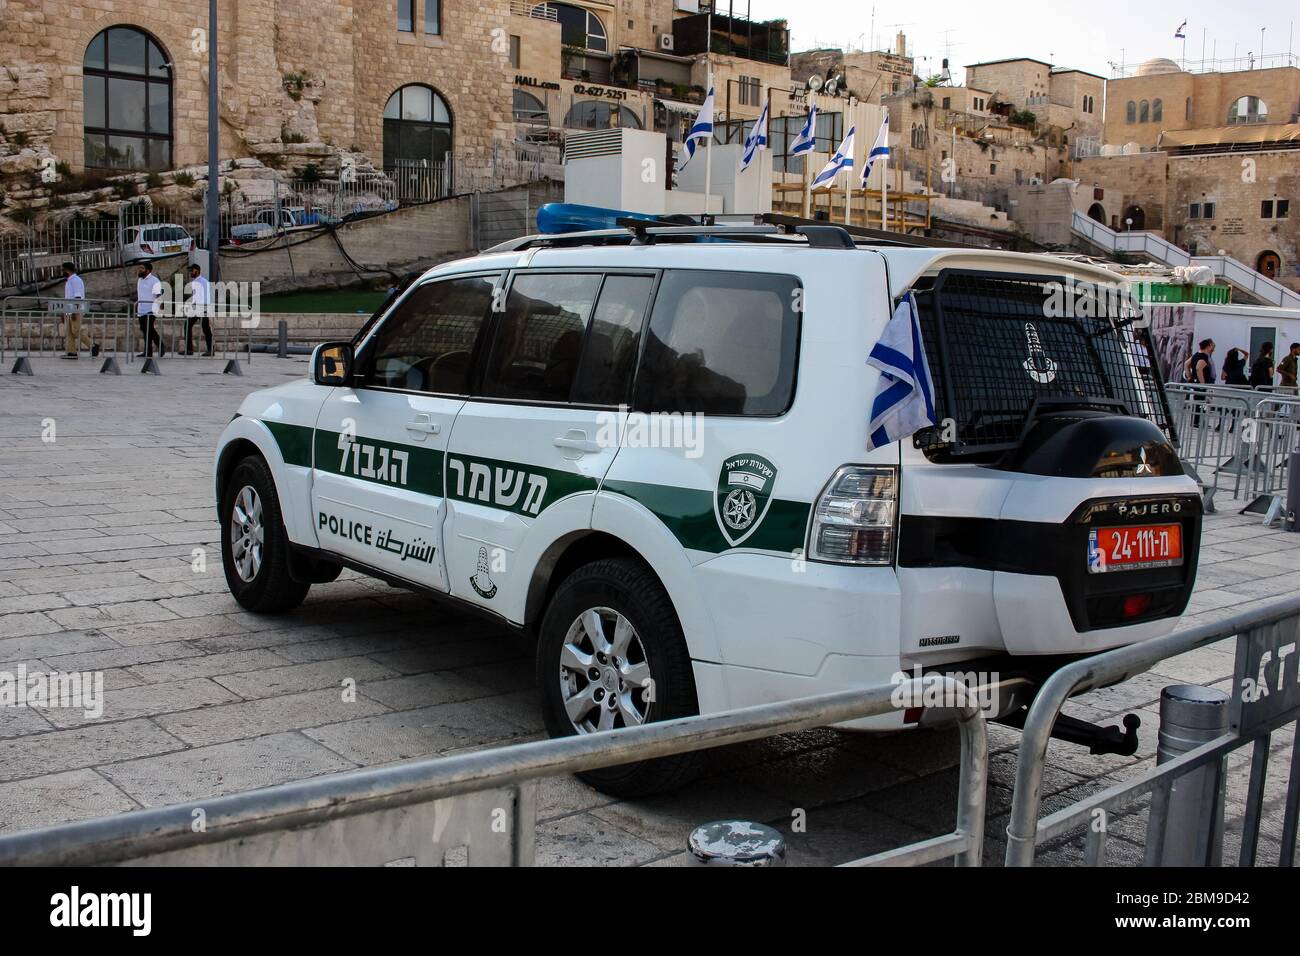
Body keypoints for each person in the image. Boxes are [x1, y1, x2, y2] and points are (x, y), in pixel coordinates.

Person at [60, 262, 100, 360]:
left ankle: (92, 346)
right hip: (68, 309)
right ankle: (72, 352)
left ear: (67, 269)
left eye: (63, 270)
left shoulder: (76, 280)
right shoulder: (68, 281)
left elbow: (78, 297)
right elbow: (68, 297)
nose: (62, 272)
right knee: (69, 331)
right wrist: (64, 311)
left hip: (75, 310)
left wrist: (74, 311)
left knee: (75, 331)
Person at [135, 261, 165, 358]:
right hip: (141, 309)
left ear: (148, 270)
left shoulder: (154, 280)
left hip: (151, 309)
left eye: (142, 268)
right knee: (146, 330)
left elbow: (159, 295)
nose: (139, 270)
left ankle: (149, 352)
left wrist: (161, 307)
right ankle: (160, 346)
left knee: (148, 330)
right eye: (139, 268)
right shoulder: (140, 280)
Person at [184, 262, 213, 356]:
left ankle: (210, 350)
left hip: (202, 308)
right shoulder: (194, 282)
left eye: (191, 270)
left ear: (197, 270)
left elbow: (207, 296)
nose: (190, 272)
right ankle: (189, 350)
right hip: (195, 309)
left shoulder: (204, 282)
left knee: (206, 329)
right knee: (187, 326)